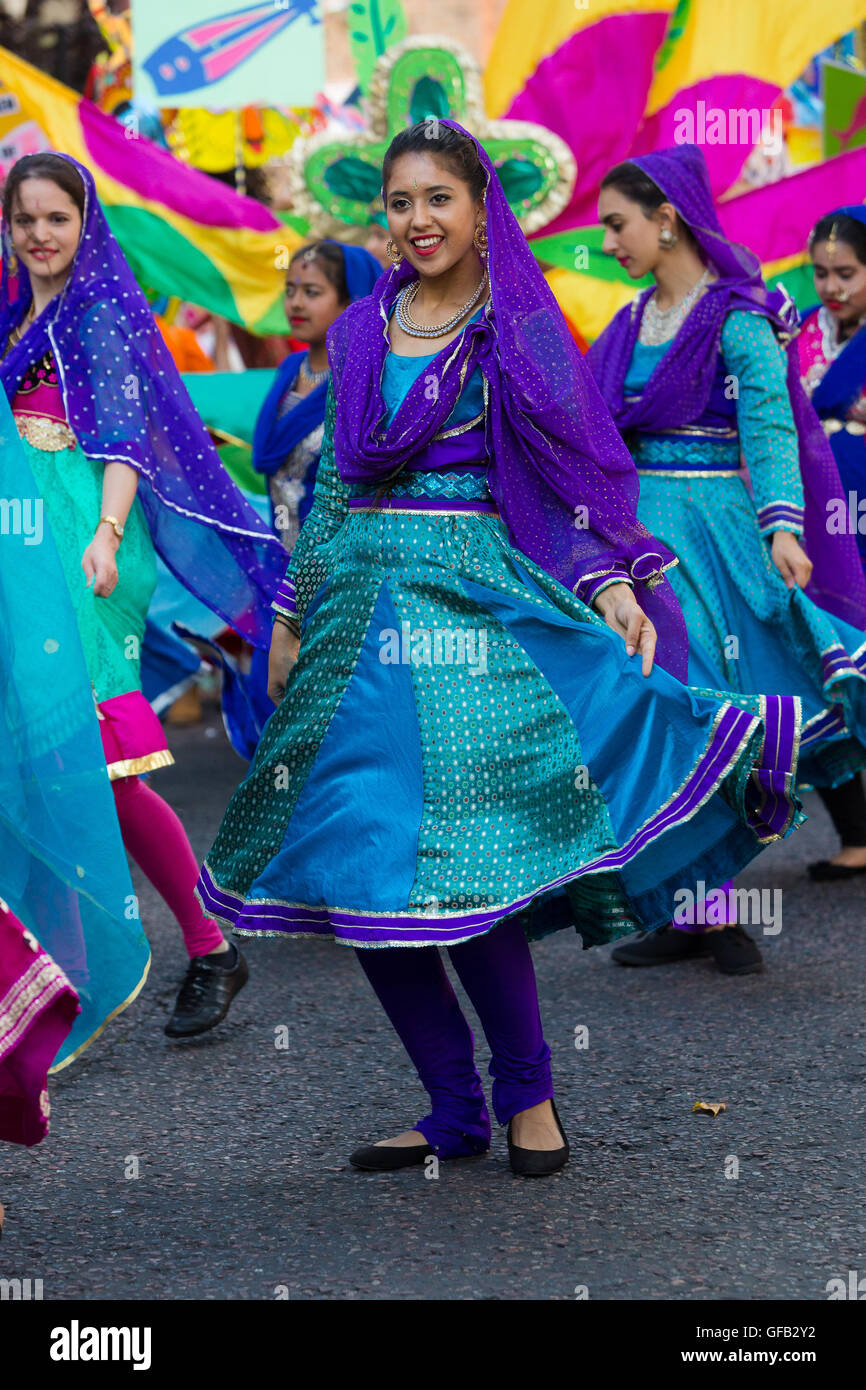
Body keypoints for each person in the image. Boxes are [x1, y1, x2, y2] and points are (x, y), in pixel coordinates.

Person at [196, 121, 804, 1177]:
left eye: (438, 198)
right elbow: (338, 479)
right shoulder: (358, 334)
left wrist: (609, 581)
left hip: (469, 622)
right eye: (400, 203)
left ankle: (526, 1093)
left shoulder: (513, 333)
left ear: (480, 211)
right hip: (354, 631)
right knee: (361, 872)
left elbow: (568, 477)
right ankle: (448, 1107)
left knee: (459, 872)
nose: (418, 220)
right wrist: (290, 614)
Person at [0, 152, 287, 1040]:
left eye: (57, 218)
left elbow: (123, 443)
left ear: (87, 225)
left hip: (83, 545)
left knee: (98, 766)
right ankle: (63, 976)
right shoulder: (19, 316)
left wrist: (108, 537)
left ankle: (210, 945)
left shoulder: (94, 318)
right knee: (39, 764)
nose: (40, 235)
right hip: (20, 545)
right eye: (25, 220)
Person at [588, 146, 866, 973]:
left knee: (719, 706)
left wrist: (783, 526)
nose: (606, 244)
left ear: (666, 219)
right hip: (640, 540)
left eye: (616, 224)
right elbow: (590, 428)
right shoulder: (632, 322)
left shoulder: (738, 315)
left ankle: (721, 903)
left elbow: (772, 426)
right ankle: (699, 906)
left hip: (714, 531)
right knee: (663, 706)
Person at [798, 208, 866, 879]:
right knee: (824, 668)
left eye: (846, 273)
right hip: (821, 530)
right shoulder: (803, 339)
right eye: (821, 272)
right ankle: (856, 832)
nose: (831, 286)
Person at [252, 239, 381, 553]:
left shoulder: (361, 380)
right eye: (290, 290)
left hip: (336, 561)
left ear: (351, 300)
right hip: (281, 553)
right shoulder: (290, 369)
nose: (295, 303)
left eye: (312, 292)